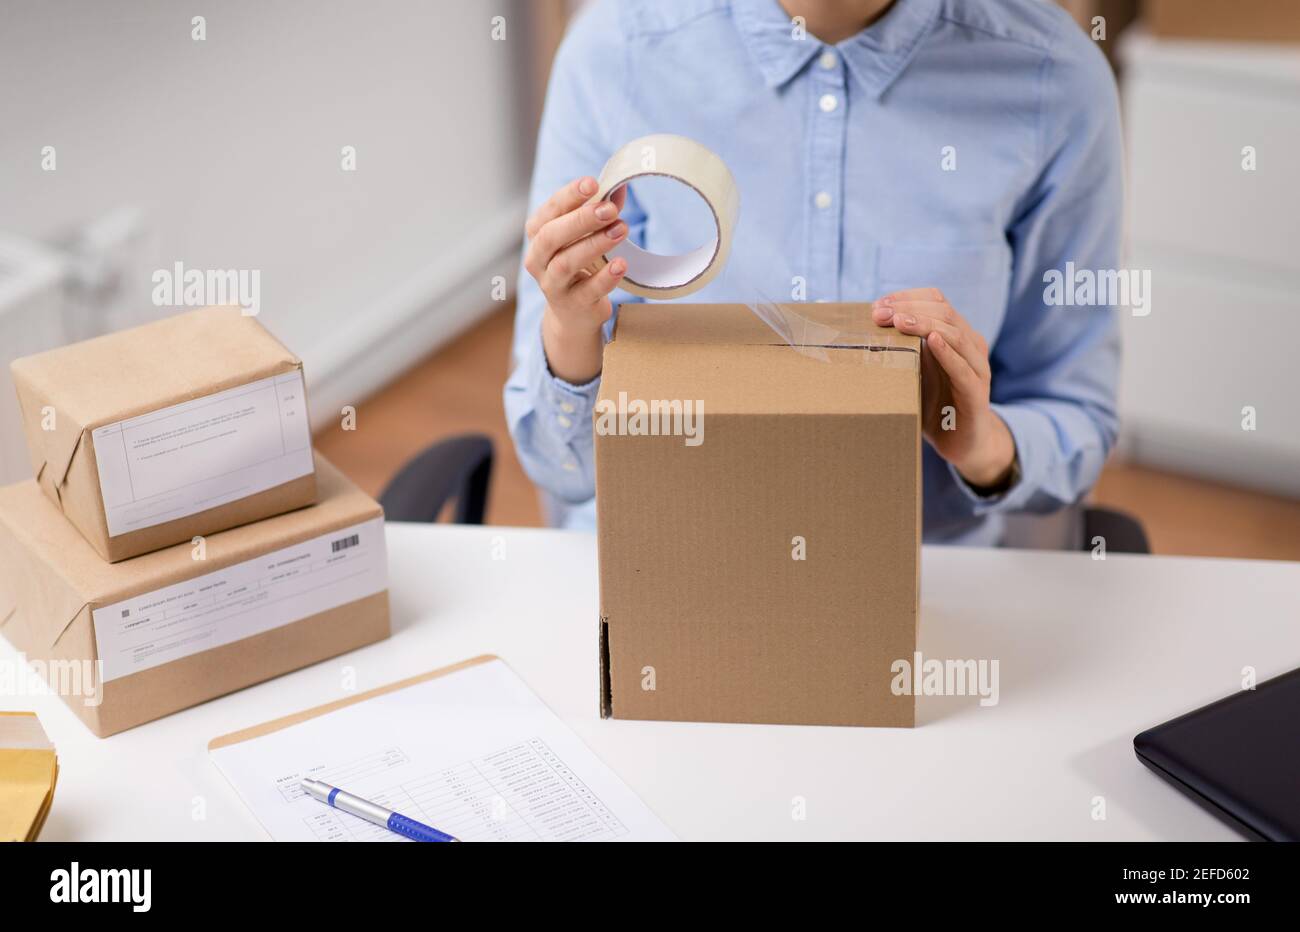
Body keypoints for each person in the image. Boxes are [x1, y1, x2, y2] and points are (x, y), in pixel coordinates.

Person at [505, 0, 1122, 547]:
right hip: (670, 558)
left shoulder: (1052, 78)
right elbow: (559, 466)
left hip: (919, 578)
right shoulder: (617, 47)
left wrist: (982, 445)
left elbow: (1075, 414)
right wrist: (569, 330)